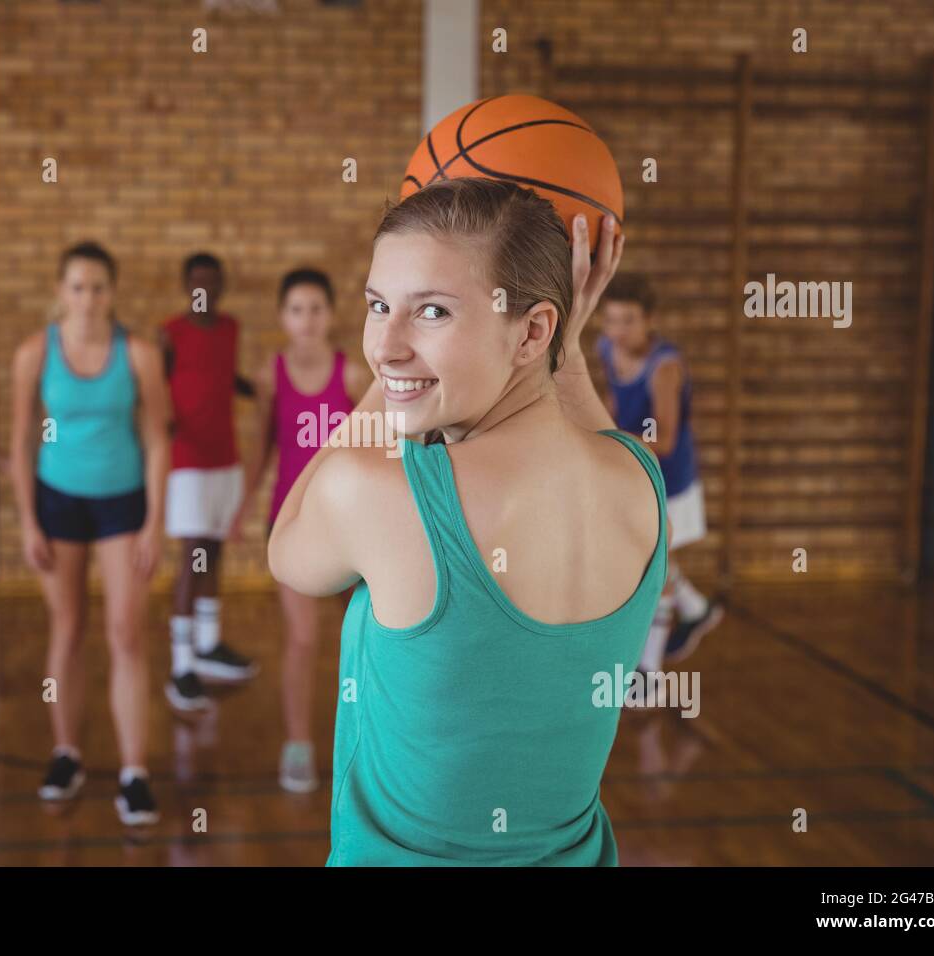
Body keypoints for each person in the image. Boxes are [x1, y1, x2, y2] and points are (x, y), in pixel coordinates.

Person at [270, 178, 666, 865]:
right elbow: (559, 388)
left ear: (532, 329)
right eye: (377, 306)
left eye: (431, 311)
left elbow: (287, 548)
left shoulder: (378, 491)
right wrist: (551, 337)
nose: (385, 343)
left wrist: (388, 387)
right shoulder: (637, 482)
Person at [9, 241, 170, 826]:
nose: (88, 298)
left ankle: (134, 772)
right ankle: (67, 754)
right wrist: (27, 520)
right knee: (68, 626)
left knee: (126, 632)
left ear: (112, 291)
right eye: (77, 286)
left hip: (122, 505)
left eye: (99, 286)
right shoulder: (34, 353)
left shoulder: (140, 355)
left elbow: (157, 438)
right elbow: (21, 440)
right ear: (60, 291)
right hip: (58, 502)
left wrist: (155, 521)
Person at [231, 268, 370, 792]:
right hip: (291, 523)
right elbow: (264, 444)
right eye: (296, 310)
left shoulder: (353, 376)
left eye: (316, 309)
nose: (307, 320)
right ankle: (298, 745)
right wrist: (242, 507)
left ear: (331, 315)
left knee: (361, 638)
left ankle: (366, 742)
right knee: (303, 638)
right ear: (282, 317)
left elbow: (377, 448)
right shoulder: (271, 374)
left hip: (350, 527)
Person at [596, 274, 723, 675]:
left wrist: (604, 435)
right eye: (612, 320)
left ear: (650, 320)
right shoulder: (606, 347)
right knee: (653, 560)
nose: (618, 330)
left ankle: (648, 673)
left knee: (655, 569)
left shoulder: (664, 368)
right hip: (638, 472)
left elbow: (664, 440)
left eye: (629, 320)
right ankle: (697, 609)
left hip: (671, 478)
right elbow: (616, 399)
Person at [159, 252, 258, 712]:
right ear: (186, 286)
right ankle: (181, 667)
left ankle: (208, 644)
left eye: (213, 282)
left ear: (222, 286)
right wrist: (161, 430)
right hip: (189, 462)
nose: (205, 290)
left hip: (226, 459)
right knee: (191, 557)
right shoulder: (170, 335)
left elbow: (220, 377)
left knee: (214, 553)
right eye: (197, 282)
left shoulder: (232, 328)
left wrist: (254, 389)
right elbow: (155, 389)